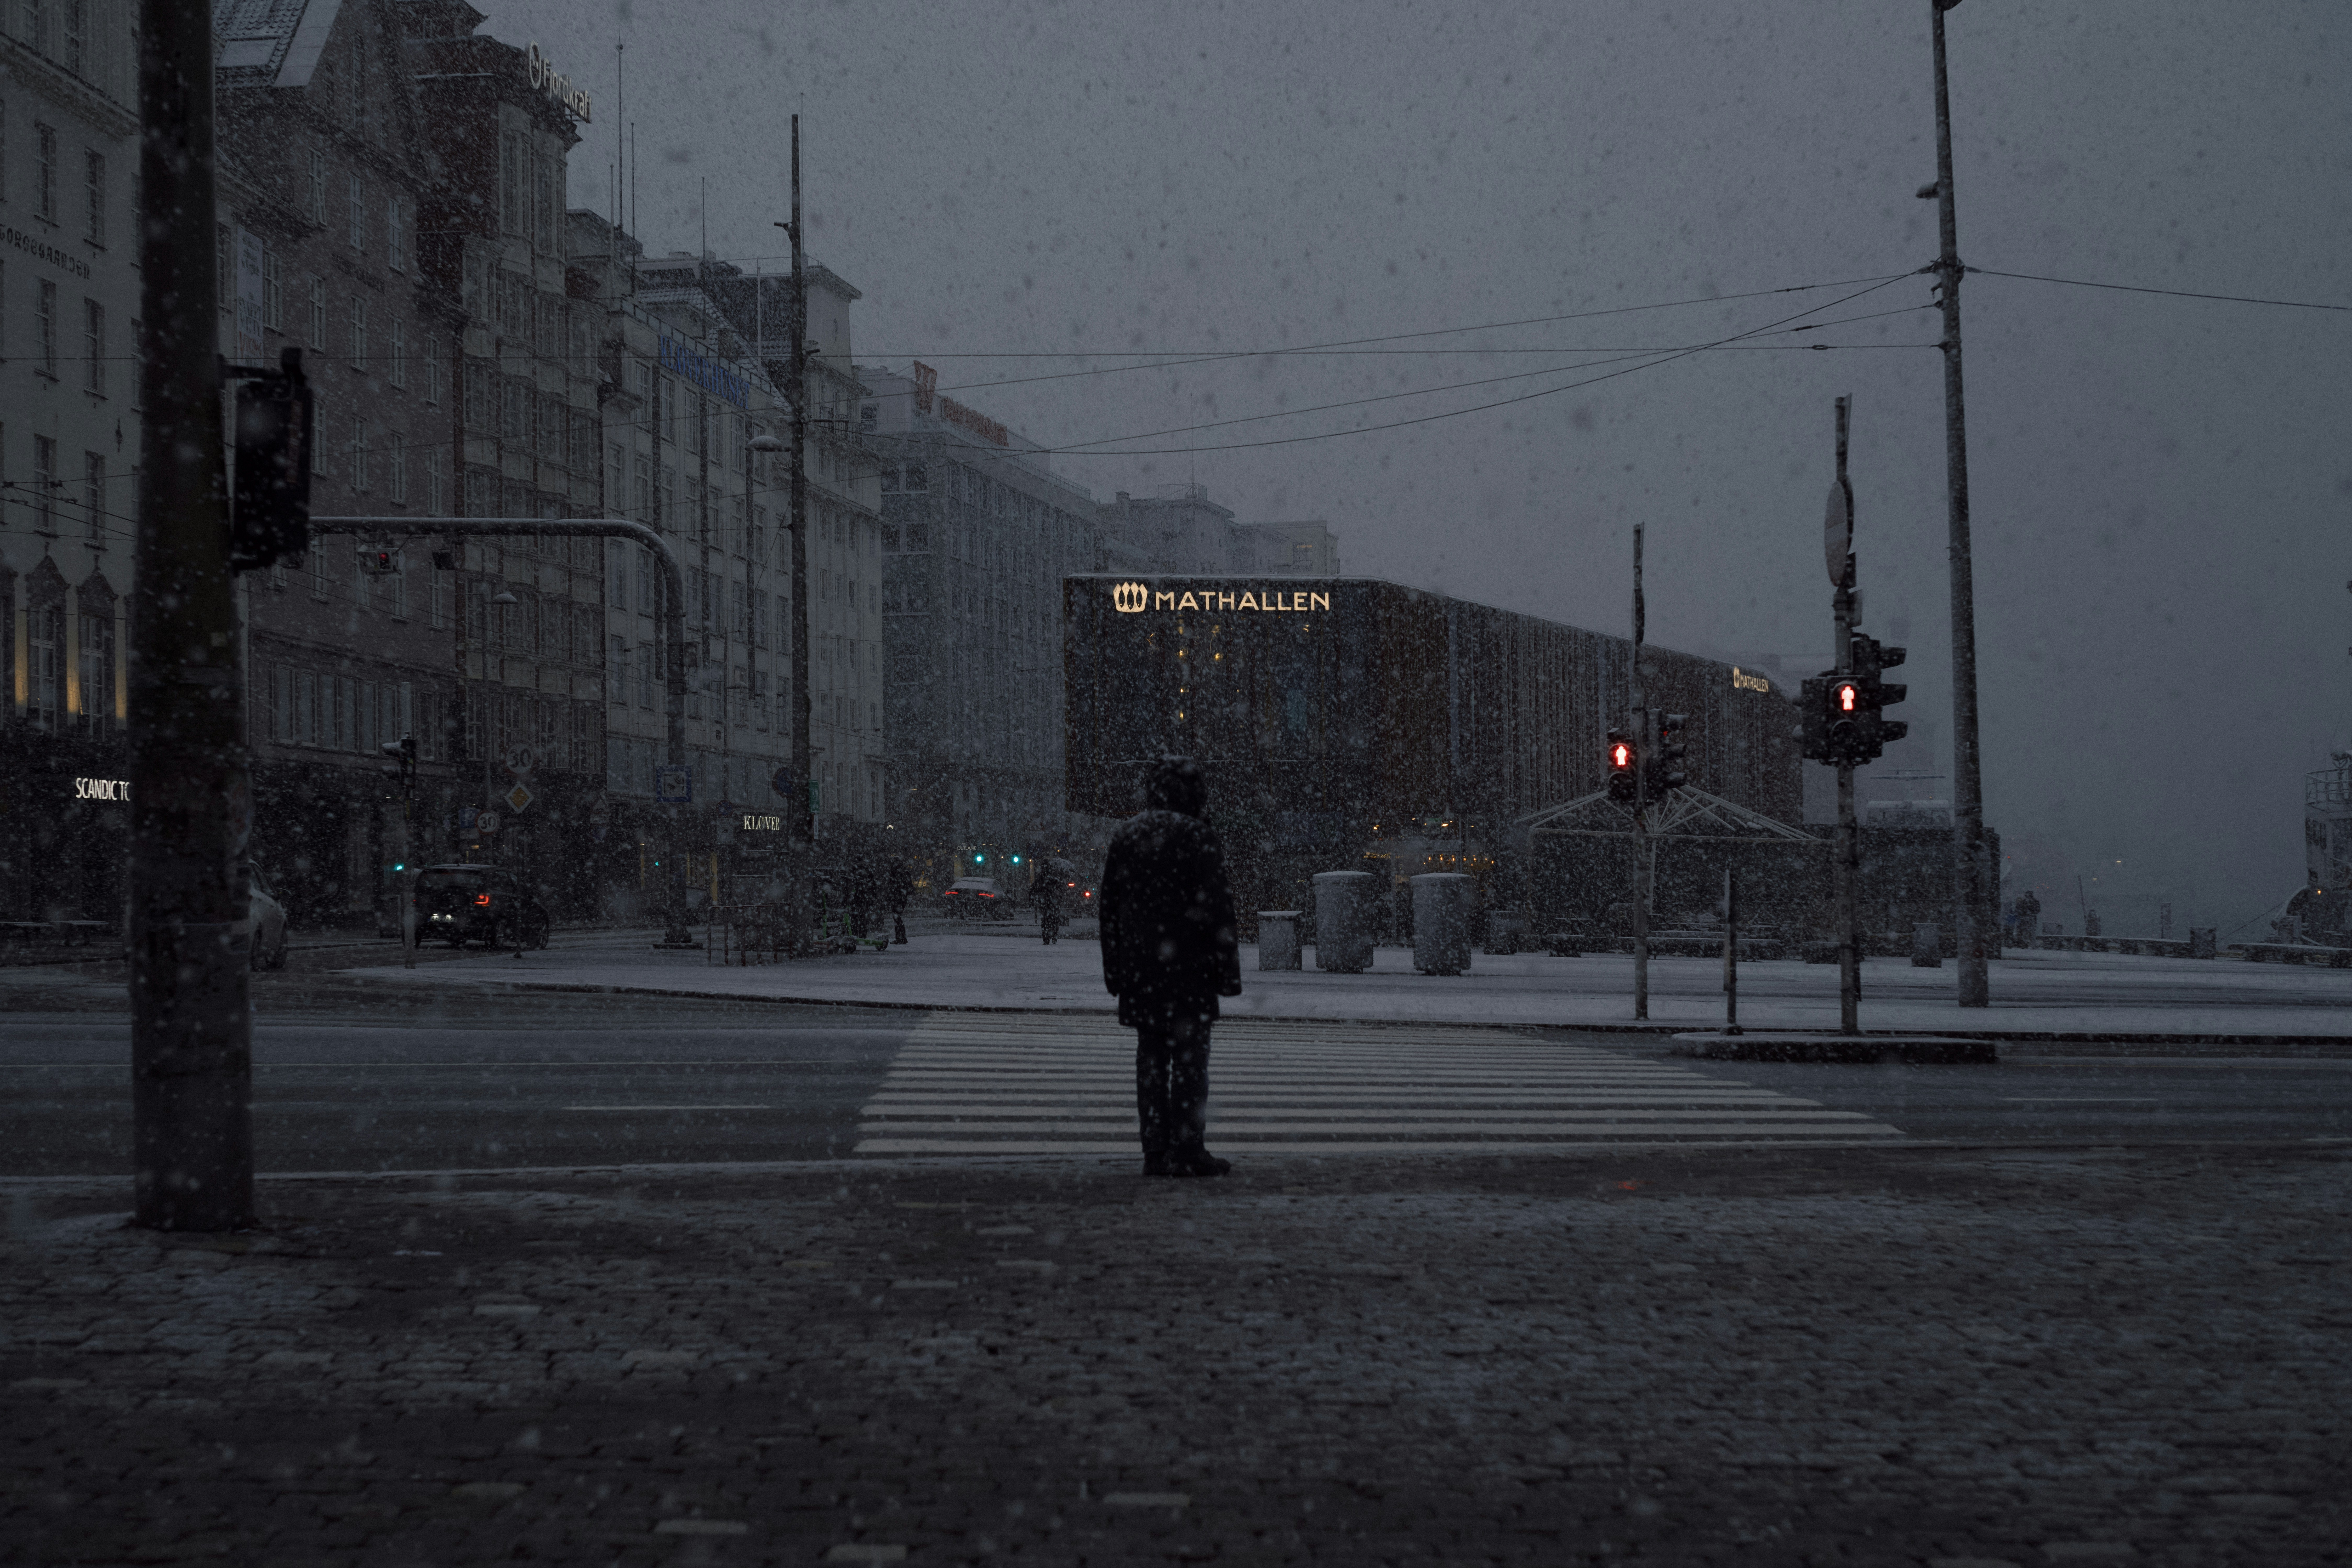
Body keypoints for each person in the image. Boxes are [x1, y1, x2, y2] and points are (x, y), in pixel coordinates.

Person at [1099, 755, 1242, 1178]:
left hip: (1142, 971)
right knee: (1190, 1064)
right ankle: (1187, 1147)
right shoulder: (1198, 836)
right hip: (1190, 971)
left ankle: (1154, 1151)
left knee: (1151, 1061)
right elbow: (1218, 910)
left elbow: (1109, 910)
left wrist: (1115, 971)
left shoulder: (1128, 834)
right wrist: (1227, 974)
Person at [1030, 858, 1065, 944]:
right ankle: (1054, 936)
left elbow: (1035, 888)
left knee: (1045, 921)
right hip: (1053, 902)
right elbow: (1059, 887)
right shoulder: (1053, 877)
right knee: (1054, 920)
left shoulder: (1042, 877)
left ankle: (1046, 938)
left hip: (1045, 902)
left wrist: (1033, 898)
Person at [885, 858, 912, 945]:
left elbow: (892, 886)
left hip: (897, 898)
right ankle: (902, 938)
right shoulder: (905, 872)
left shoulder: (896, 873)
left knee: (897, 918)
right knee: (898, 918)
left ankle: (900, 938)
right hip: (902, 898)